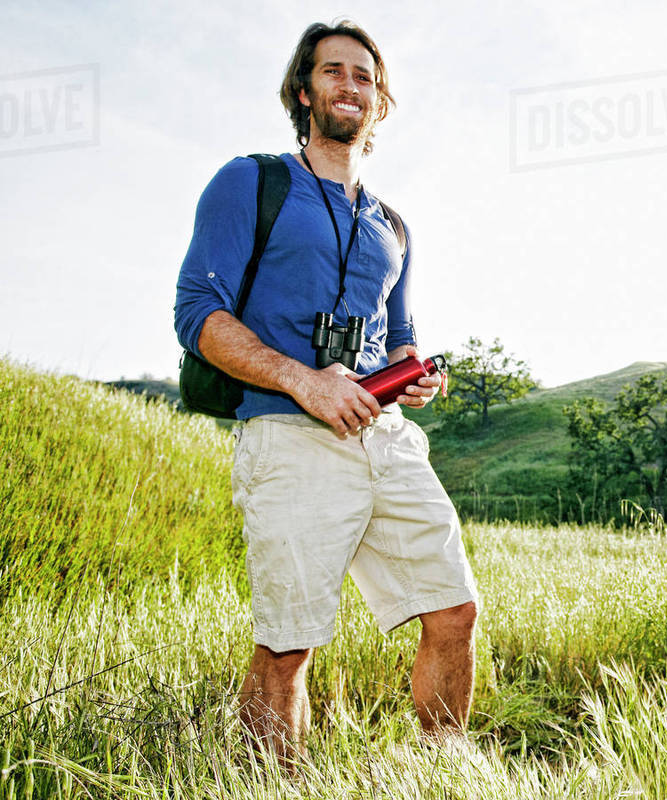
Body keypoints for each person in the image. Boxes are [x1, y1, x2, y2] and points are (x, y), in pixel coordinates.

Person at [174, 20, 478, 760]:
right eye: (334, 71)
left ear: (380, 102)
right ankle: (267, 781)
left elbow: (395, 333)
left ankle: (439, 772)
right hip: (287, 433)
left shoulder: (392, 225)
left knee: (454, 610)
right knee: (289, 645)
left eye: (365, 76)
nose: (351, 85)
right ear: (304, 90)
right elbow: (198, 313)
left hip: (386, 439)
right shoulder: (251, 181)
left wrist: (414, 372)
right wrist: (304, 381)